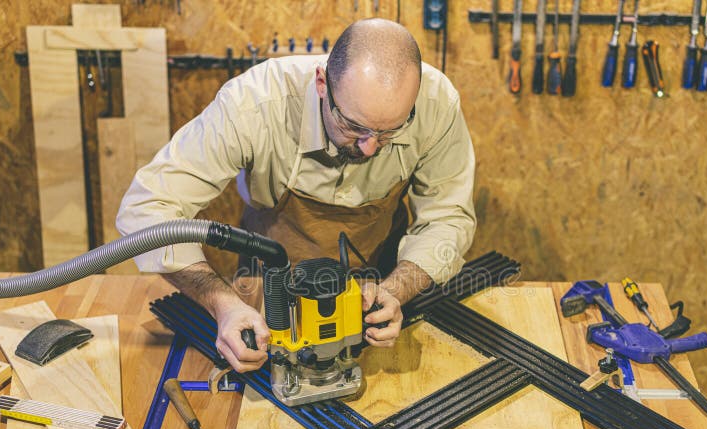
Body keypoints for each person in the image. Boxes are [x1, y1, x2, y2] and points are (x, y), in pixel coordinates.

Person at [116, 18, 476, 373]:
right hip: (268, 298)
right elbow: (146, 210)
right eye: (352, 126)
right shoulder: (254, 104)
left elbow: (448, 217)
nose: (368, 149)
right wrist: (222, 303)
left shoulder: (435, 103)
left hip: (376, 291)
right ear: (322, 83)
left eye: (388, 133)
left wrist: (397, 290)